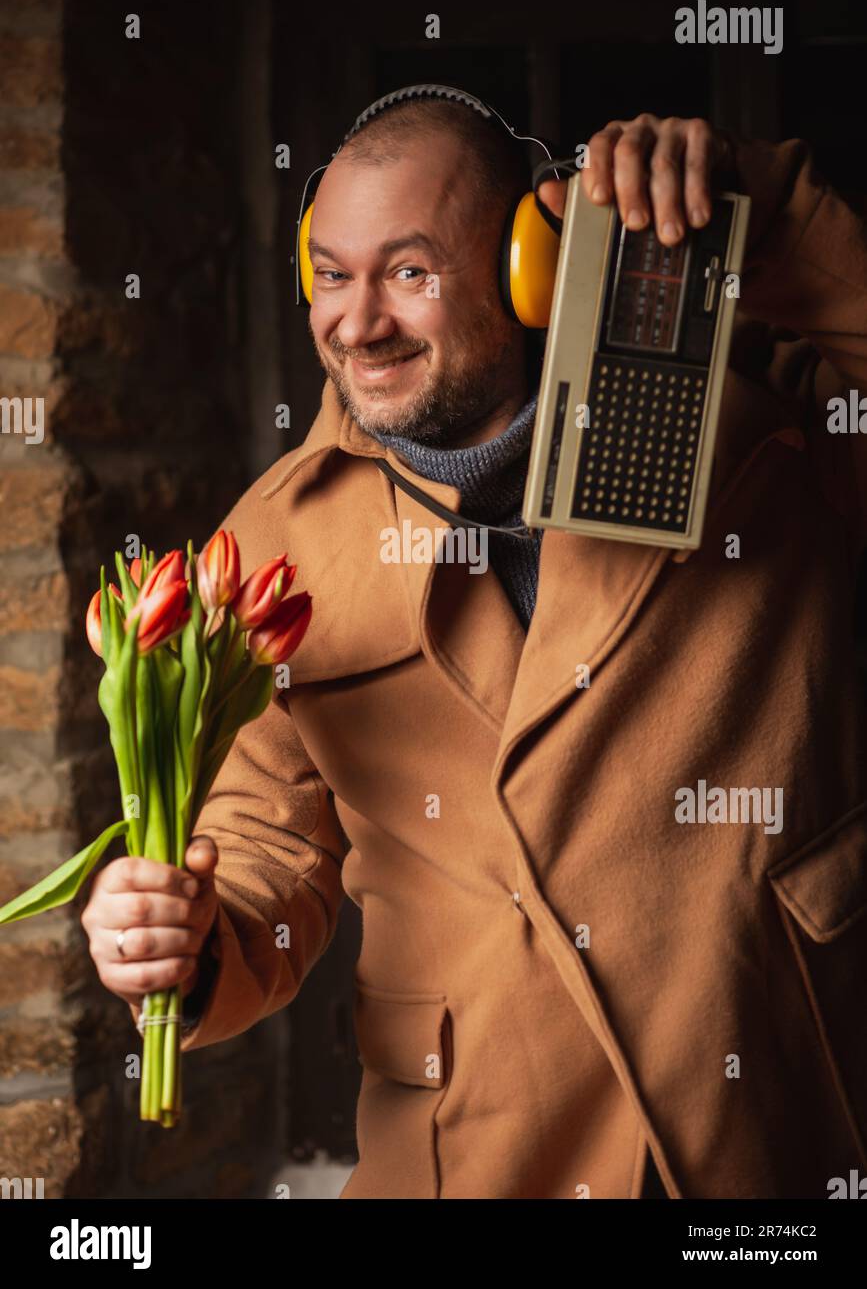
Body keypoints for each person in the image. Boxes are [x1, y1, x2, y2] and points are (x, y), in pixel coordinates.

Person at [81, 88, 867, 1199]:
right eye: (333, 274)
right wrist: (190, 938)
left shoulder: (763, 430)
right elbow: (262, 850)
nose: (356, 323)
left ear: (529, 269)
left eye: (409, 272)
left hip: (765, 1129)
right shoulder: (275, 541)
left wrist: (768, 216)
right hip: (477, 1154)